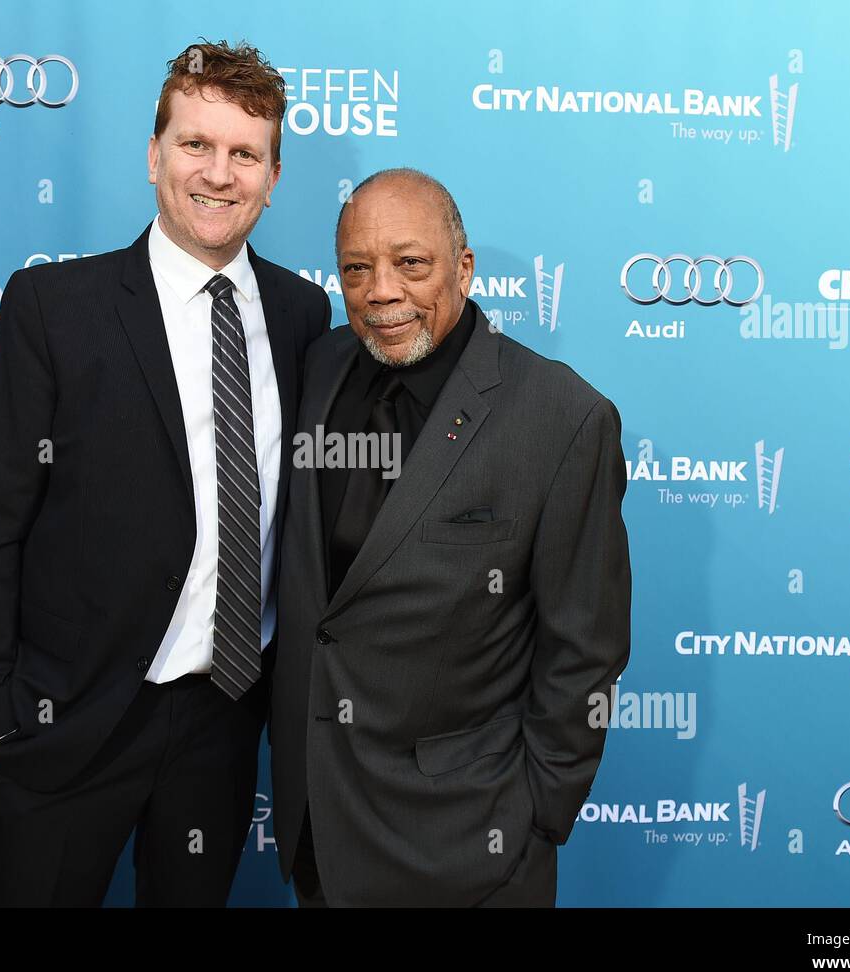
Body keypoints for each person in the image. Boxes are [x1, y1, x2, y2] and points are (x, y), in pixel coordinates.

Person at [0, 40, 329, 906]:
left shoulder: (306, 314)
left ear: (273, 175)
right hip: (64, 720)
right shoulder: (55, 309)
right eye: (196, 145)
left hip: (223, 720)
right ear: (154, 156)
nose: (218, 174)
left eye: (244, 154)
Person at [269, 168, 631, 906]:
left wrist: (536, 815)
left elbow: (584, 648)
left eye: (411, 262)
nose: (382, 291)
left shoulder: (564, 417)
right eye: (357, 268)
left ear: (463, 268)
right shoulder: (319, 366)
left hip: (469, 844)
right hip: (321, 832)